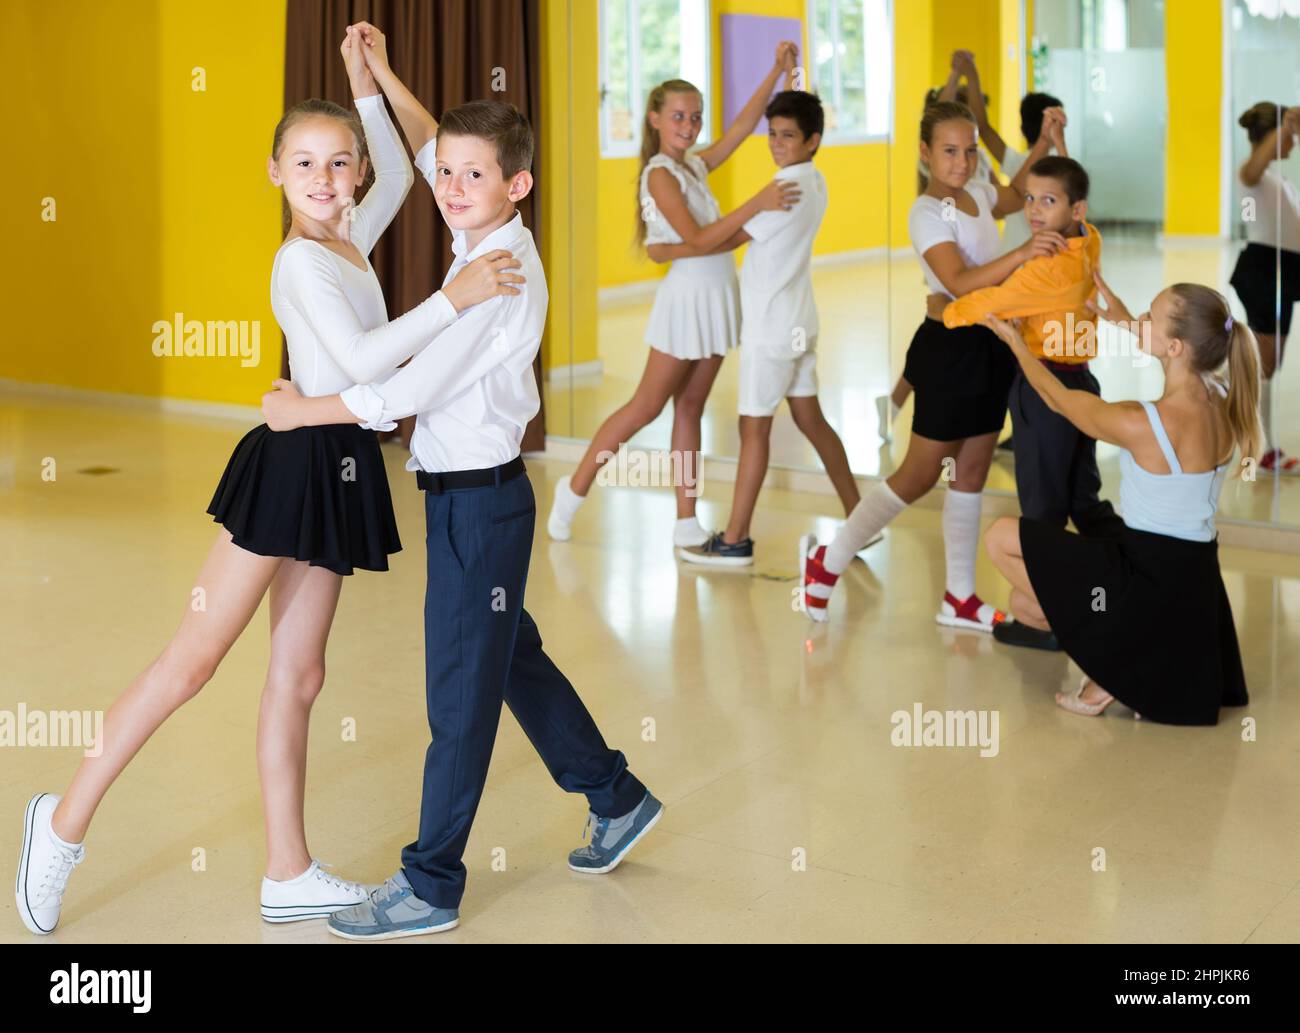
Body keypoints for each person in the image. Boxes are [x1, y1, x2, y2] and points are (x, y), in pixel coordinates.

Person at [15, 26, 523, 936]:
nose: (325, 181)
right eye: (305, 164)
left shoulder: (355, 235)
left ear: (357, 172)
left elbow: (408, 175)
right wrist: (458, 296)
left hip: (339, 464)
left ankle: (286, 871)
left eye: (339, 164)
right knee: (194, 660)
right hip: (291, 465)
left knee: (300, 673)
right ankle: (59, 824)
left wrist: (365, 78)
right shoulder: (298, 261)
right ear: (274, 172)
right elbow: (366, 358)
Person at [261, 22, 661, 940]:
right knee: (509, 654)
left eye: (470, 176)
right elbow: (438, 143)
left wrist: (299, 412)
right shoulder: (480, 220)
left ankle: (431, 884)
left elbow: (401, 393)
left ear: (515, 185)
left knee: (459, 695)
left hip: (480, 502)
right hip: (465, 498)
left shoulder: (498, 274)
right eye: (446, 172)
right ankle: (616, 794)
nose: (448, 186)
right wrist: (381, 77)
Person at [799, 101, 1063, 628]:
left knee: (971, 471)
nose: (962, 162)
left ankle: (958, 597)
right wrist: (1023, 256)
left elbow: (1014, 193)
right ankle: (826, 563)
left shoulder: (978, 195)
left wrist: (1046, 142)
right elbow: (960, 282)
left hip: (991, 344)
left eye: (969, 151)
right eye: (949, 151)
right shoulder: (926, 212)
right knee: (919, 475)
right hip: (949, 348)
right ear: (925, 153)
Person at [547, 44, 802, 548]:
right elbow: (703, 240)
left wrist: (775, 71)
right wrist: (756, 208)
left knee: (691, 410)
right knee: (644, 407)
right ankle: (572, 489)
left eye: (696, 117)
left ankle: (687, 521)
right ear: (656, 119)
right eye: (679, 116)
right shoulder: (660, 174)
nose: (689, 125)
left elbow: (738, 132)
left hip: (716, 298)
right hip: (686, 302)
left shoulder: (694, 168)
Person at [983, 276, 1260, 724]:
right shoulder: (1222, 398)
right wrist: (1126, 320)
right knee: (1023, 606)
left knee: (1000, 537)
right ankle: (1126, 639)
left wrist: (1017, 344)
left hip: (1146, 578)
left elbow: (1056, 398)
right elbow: (1174, 351)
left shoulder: (1143, 422)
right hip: (1193, 579)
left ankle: (1115, 659)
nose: (1141, 321)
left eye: (1150, 317)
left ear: (1175, 347)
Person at [660, 90, 860, 566]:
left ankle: (735, 539)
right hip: (801, 322)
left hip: (771, 330)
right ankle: (860, 518)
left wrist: (665, 251)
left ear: (812, 140)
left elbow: (718, 242)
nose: (776, 144)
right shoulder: (816, 181)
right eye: (771, 135)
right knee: (812, 420)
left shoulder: (781, 193)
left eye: (787, 136)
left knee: (754, 428)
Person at [937, 155, 1122, 650]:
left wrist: (946, 309)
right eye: (1031, 200)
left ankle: (1050, 622)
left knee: (1041, 512)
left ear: (1075, 207)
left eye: (1049, 201)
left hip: (1044, 391)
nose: (1035, 212)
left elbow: (981, 303)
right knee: (1083, 499)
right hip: (1083, 384)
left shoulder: (1043, 270)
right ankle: (1125, 579)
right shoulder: (1089, 240)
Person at [1229, 101, 1300, 474]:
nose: (1293, 144)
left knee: (1267, 365)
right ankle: (1260, 447)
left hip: (1283, 269)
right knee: (1265, 365)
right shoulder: (1250, 172)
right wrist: (1286, 129)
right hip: (1264, 267)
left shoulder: (1274, 178)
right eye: (1287, 136)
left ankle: (1251, 438)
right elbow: (1253, 213)